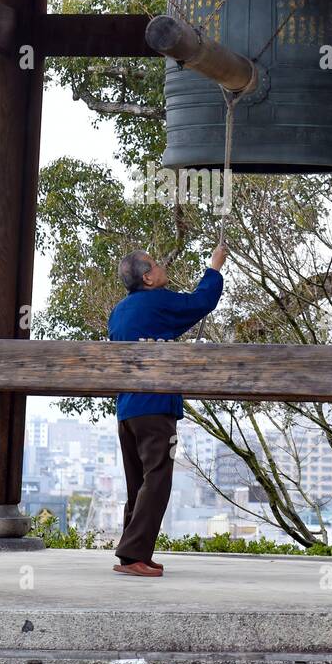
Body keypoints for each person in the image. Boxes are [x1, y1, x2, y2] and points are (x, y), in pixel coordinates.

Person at [107, 243, 228, 577]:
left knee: (138, 483)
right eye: (156, 265)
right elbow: (199, 303)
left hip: (128, 410)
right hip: (154, 406)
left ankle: (132, 552)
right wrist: (214, 268)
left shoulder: (120, 312)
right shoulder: (157, 302)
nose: (161, 268)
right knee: (157, 478)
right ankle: (133, 554)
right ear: (147, 278)